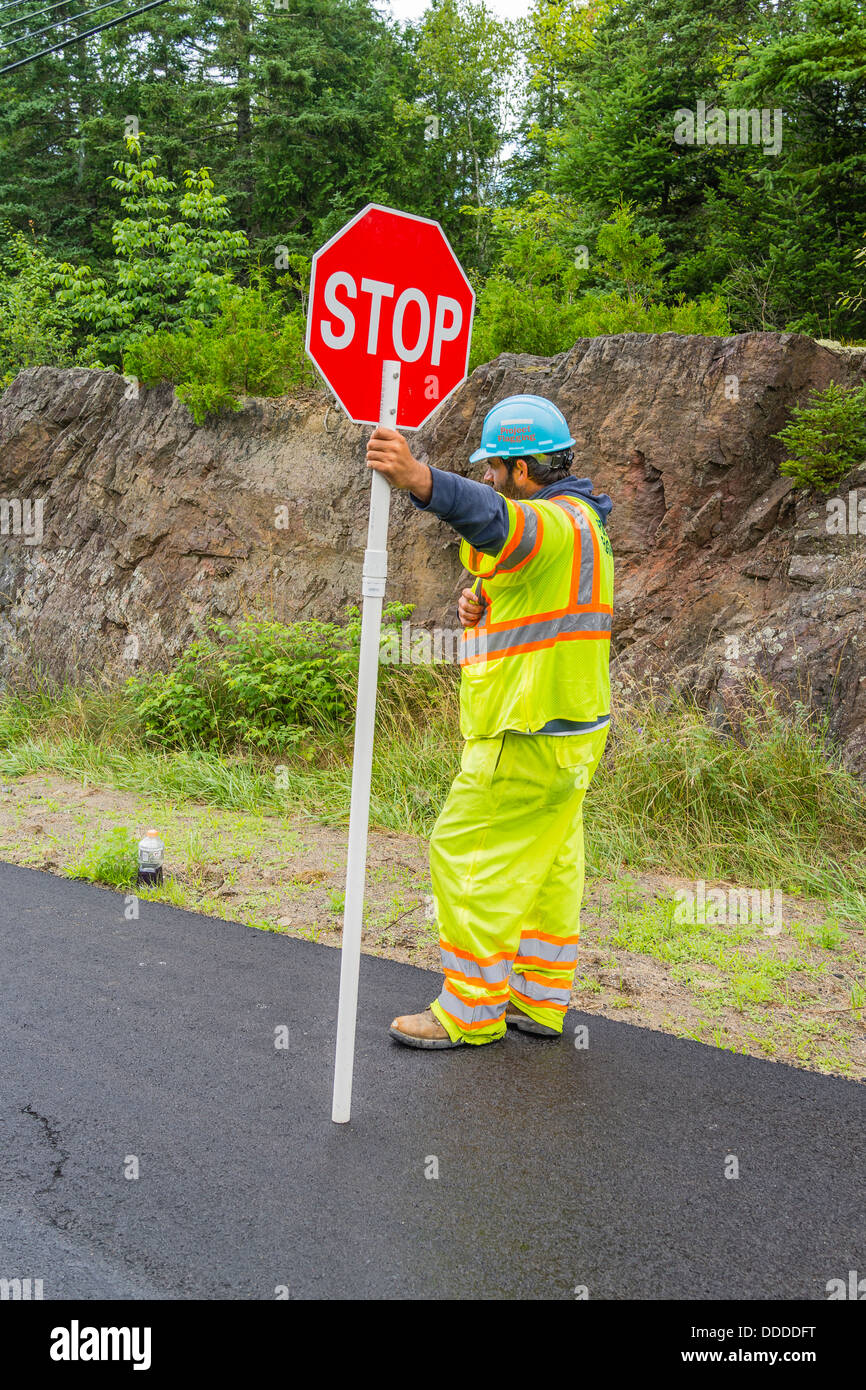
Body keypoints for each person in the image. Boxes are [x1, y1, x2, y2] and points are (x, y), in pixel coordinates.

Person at [365, 394, 613, 1049]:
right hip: (571, 735)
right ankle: (538, 997)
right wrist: (486, 604)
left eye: (494, 469)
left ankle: (470, 1009)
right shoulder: (585, 526)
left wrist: (419, 480)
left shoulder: (554, 524)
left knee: (467, 854)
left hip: (526, 734)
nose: (486, 480)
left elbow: (498, 523)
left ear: (525, 471)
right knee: (547, 867)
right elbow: (529, 584)